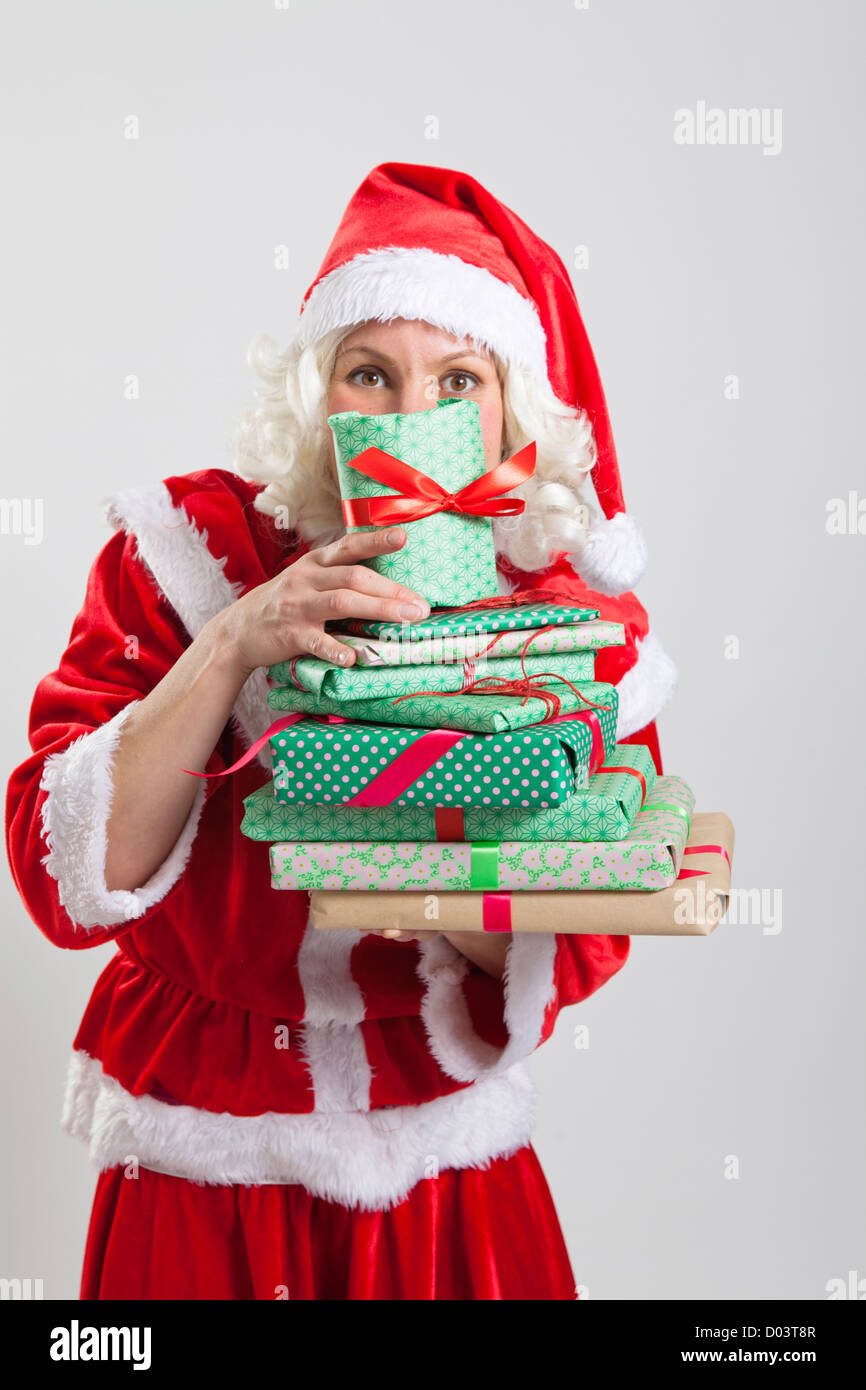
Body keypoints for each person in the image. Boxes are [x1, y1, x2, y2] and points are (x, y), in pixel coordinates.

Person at [5, 163, 677, 1300]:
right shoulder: (182, 554)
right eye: (370, 374)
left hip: (442, 1166)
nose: (414, 422)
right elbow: (65, 874)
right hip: (193, 1150)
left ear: (509, 411)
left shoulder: (559, 620)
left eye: (457, 380)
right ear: (320, 398)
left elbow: (580, 935)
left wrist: (423, 792)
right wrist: (234, 645)